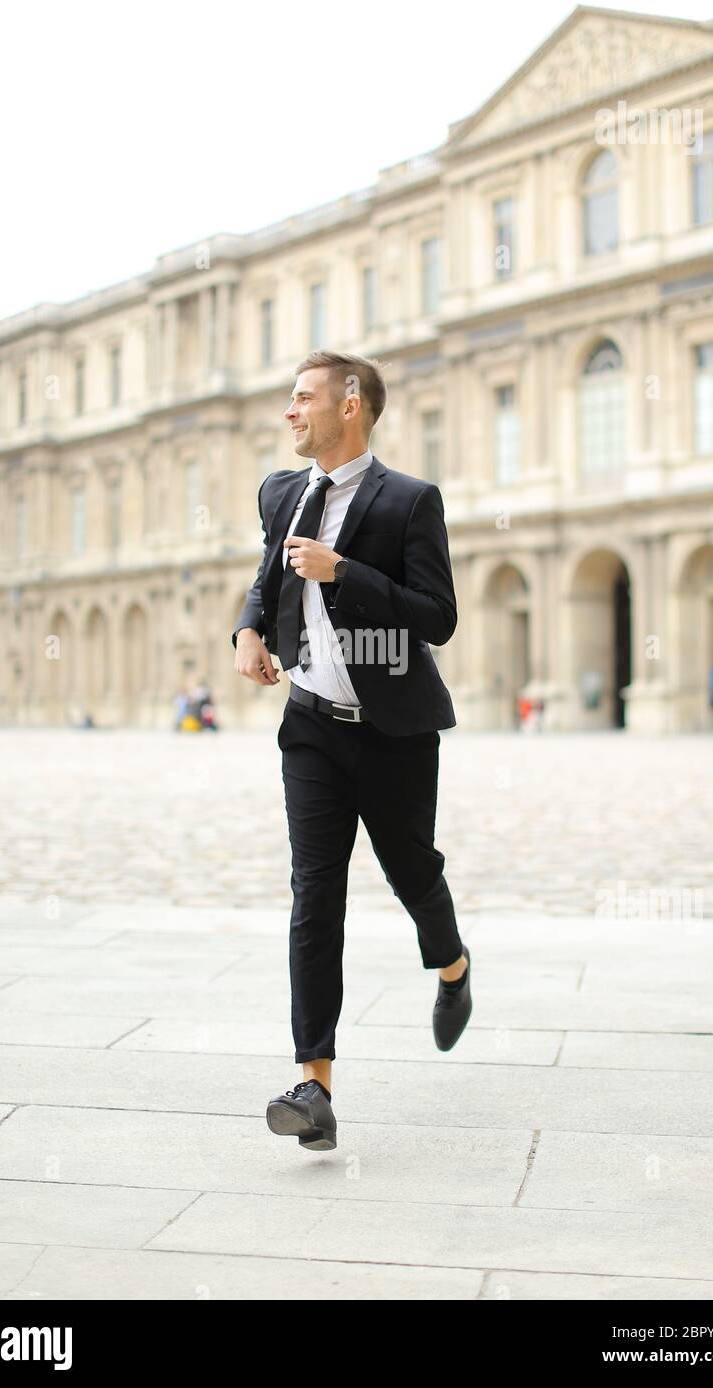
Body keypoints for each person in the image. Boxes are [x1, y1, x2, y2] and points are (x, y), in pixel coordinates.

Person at [233, 350, 471, 1153]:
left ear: (352, 405)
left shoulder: (409, 501)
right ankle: (314, 1085)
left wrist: (347, 574)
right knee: (314, 895)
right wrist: (248, 630)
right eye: (289, 398)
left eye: (304, 398)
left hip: (395, 731)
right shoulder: (282, 492)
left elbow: (436, 617)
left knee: (413, 874)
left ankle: (452, 965)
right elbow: (268, 575)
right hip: (311, 727)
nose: (291, 411)